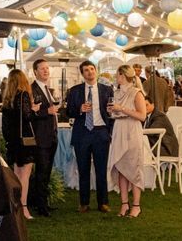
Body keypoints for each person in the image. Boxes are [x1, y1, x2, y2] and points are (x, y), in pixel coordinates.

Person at [65, 60, 114, 213]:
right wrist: (79, 109)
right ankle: (84, 203)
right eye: (86, 70)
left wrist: (109, 132)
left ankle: (103, 203)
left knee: (101, 169)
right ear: (82, 73)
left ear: (96, 71)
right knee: (83, 169)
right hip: (83, 133)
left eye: (92, 69)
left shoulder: (107, 90)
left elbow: (112, 113)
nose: (90, 72)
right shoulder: (74, 91)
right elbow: (68, 112)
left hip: (100, 133)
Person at [108, 65, 147, 219]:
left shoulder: (136, 93)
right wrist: (112, 111)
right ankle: (124, 204)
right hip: (119, 129)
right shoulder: (116, 92)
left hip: (132, 130)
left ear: (122, 75)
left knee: (134, 168)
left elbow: (142, 116)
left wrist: (122, 109)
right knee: (121, 168)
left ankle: (136, 206)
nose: (115, 77)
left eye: (117, 74)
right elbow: (117, 112)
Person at [1, 69, 38, 220]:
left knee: (16, 173)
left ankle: (14, 205)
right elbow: (26, 116)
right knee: (25, 175)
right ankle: (23, 207)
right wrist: (34, 110)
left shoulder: (7, 99)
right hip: (25, 140)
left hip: (13, 140)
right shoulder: (23, 95)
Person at [29, 59, 59, 217]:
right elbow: (29, 114)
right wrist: (46, 112)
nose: (46, 71)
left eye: (47, 68)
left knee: (46, 172)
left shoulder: (48, 89)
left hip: (51, 136)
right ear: (35, 72)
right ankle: (40, 206)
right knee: (41, 172)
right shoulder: (32, 90)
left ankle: (43, 202)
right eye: (42, 69)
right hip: (40, 137)